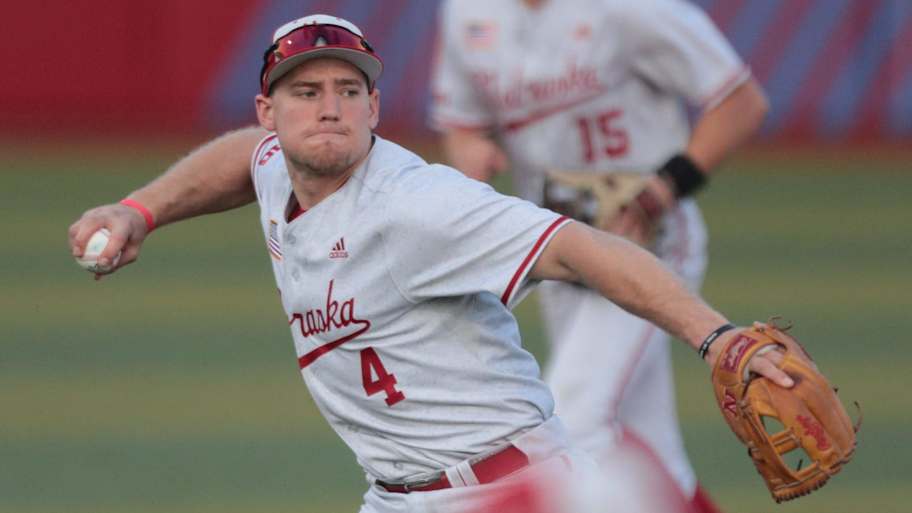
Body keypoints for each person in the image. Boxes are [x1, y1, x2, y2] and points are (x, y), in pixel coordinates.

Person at [69, 14, 787, 513]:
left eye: (349, 91)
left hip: (505, 491)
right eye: (306, 92)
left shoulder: (419, 206)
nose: (330, 109)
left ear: (374, 107)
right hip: (394, 494)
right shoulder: (277, 167)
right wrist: (141, 210)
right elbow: (241, 161)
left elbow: (584, 247)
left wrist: (717, 337)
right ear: (269, 111)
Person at [430, 0, 769, 511]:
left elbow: (741, 102)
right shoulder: (468, 12)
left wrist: (663, 190)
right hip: (556, 250)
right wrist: (471, 154)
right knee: (648, 448)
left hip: (644, 242)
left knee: (573, 417)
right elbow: (463, 123)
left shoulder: (632, 9)